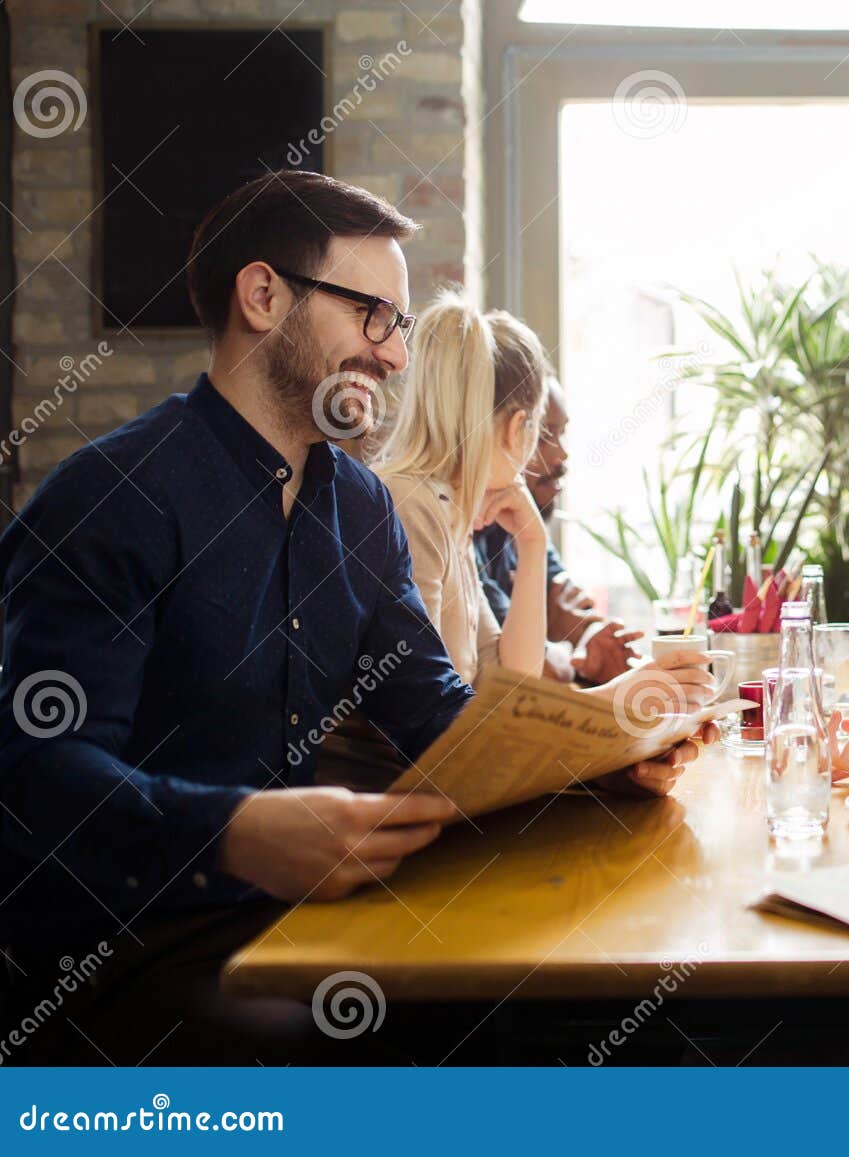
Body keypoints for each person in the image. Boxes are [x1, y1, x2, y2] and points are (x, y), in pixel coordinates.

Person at [0, 171, 708, 1064]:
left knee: (580, 1002)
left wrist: (611, 753)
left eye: (399, 325)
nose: (397, 356)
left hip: (311, 923)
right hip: (132, 953)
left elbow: (441, 723)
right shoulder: (114, 496)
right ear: (262, 296)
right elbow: (35, 774)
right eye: (374, 316)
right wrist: (236, 832)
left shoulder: (362, 507)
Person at [369, 290, 709, 798]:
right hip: (404, 816)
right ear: (518, 428)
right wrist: (615, 702)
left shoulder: (446, 511)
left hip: (453, 805)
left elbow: (511, 686)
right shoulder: (408, 505)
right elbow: (435, 727)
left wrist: (532, 543)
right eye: (539, 429)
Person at [474, 378, 640, 684]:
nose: (561, 454)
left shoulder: (524, 522)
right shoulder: (465, 534)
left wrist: (588, 636)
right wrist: (568, 648)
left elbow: (570, 614)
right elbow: (526, 675)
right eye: (542, 435)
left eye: (561, 432)